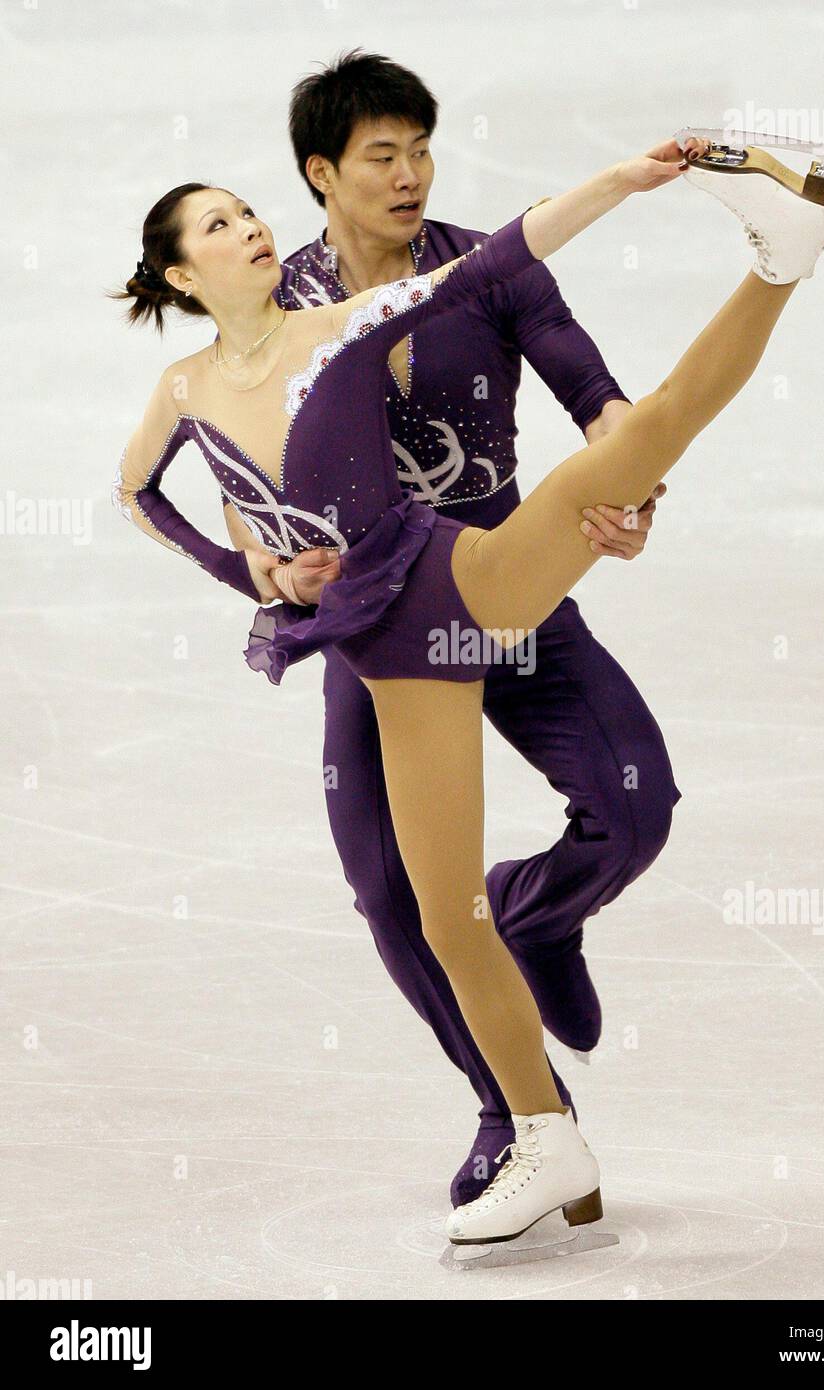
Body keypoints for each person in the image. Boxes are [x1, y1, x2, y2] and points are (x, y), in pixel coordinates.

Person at [111, 131, 824, 1243]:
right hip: (389, 652)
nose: (249, 229)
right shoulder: (184, 386)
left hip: (459, 574)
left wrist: (619, 180)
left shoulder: (341, 326)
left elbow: (498, 258)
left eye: (245, 213)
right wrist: (255, 569)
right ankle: (541, 1132)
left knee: (642, 437)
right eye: (217, 225)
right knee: (450, 915)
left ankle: (781, 258)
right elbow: (138, 497)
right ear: (179, 275)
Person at [220, 52, 680, 1210]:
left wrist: (632, 488)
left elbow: (597, 393)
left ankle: (534, 916)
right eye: (383, 156)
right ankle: (512, 1108)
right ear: (321, 173)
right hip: (376, 628)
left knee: (634, 806)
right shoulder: (283, 308)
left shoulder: (484, 271)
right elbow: (235, 446)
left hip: (499, 587)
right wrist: (264, 557)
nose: (411, 173)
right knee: (389, 892)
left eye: (422, 149)